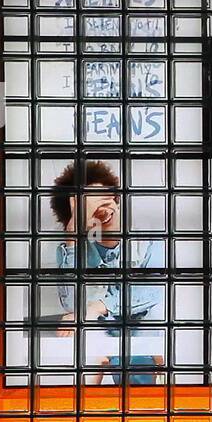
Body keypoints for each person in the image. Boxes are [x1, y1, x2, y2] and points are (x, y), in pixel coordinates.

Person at [51, 160, 164, 384]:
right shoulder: (71, 251)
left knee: (135, 364)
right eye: (91, 209)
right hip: (96, 340)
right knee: (83, 357)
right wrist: (73, 237)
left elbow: (151, 292)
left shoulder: (148, 240)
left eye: (105, 199)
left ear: (116, 198)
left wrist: (97, 307)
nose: (104, 212)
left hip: (140, 342)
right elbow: (73, 306)